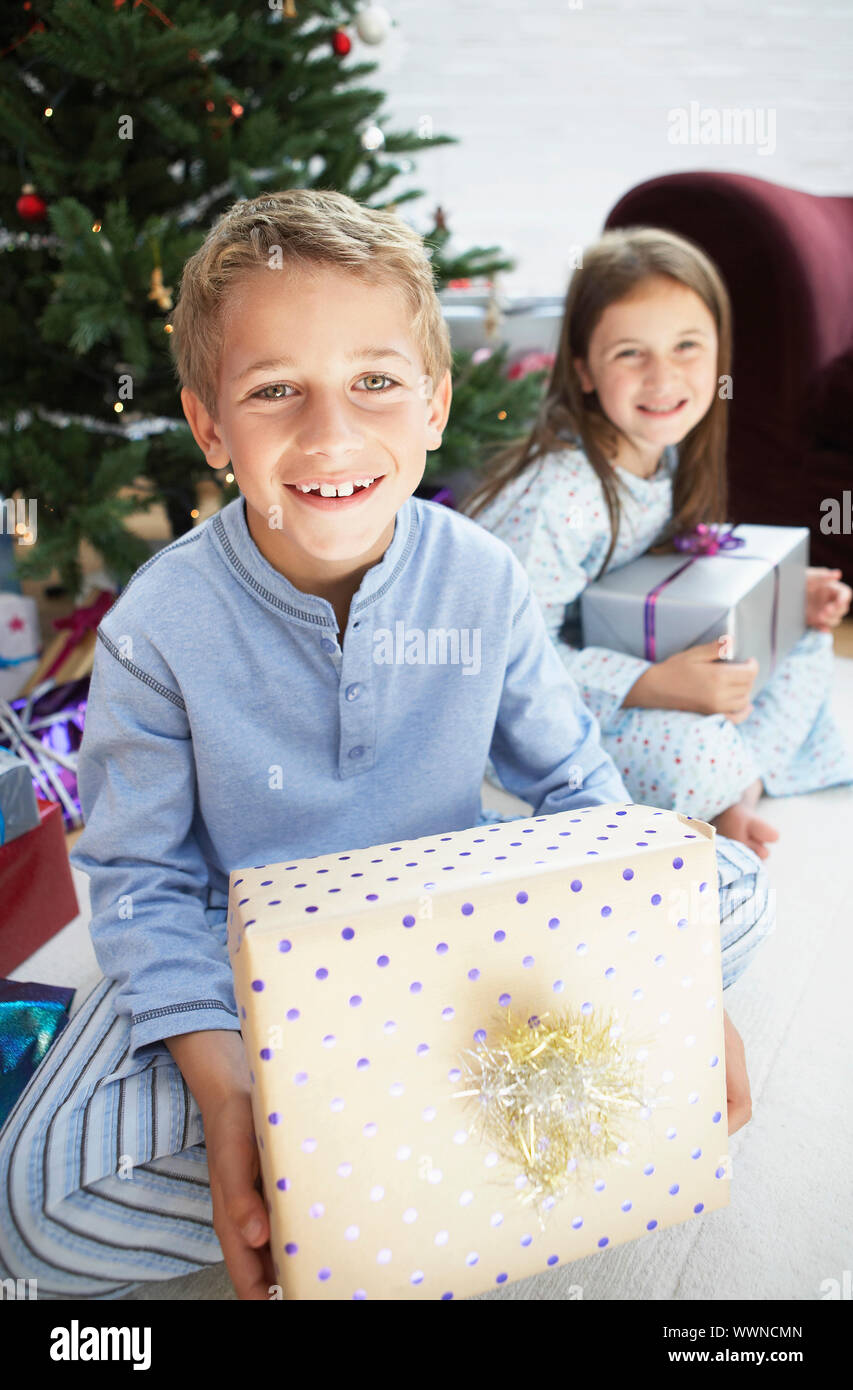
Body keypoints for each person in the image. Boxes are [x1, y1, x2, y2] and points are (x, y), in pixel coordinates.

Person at [0, 196, 766, 1303]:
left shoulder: (481, 578)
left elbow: (576, 791)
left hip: (453, 951)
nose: (330, 435)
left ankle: (384, 1123)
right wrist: (231, 1106)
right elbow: (141, 886)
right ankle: (393, 1124)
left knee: (729, 891)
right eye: (274, 391)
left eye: (373, 382)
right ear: (211, 427)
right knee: (35, 1210)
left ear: (435, 405)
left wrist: (669, 978)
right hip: (250, 984)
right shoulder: (156, 628)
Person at [464, 227, 852, 860]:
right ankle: (726, 784)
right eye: (629, 354)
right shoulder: (561, 497)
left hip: (623, 660)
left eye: (687, 347)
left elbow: (658, 578)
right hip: (523, 709)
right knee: (694, 752)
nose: (663, 377)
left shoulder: (663, 455)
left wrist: (772, 597)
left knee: (802, 641)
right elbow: (511, 667)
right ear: (585, 370)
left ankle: (737, 786)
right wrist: (654, 686)